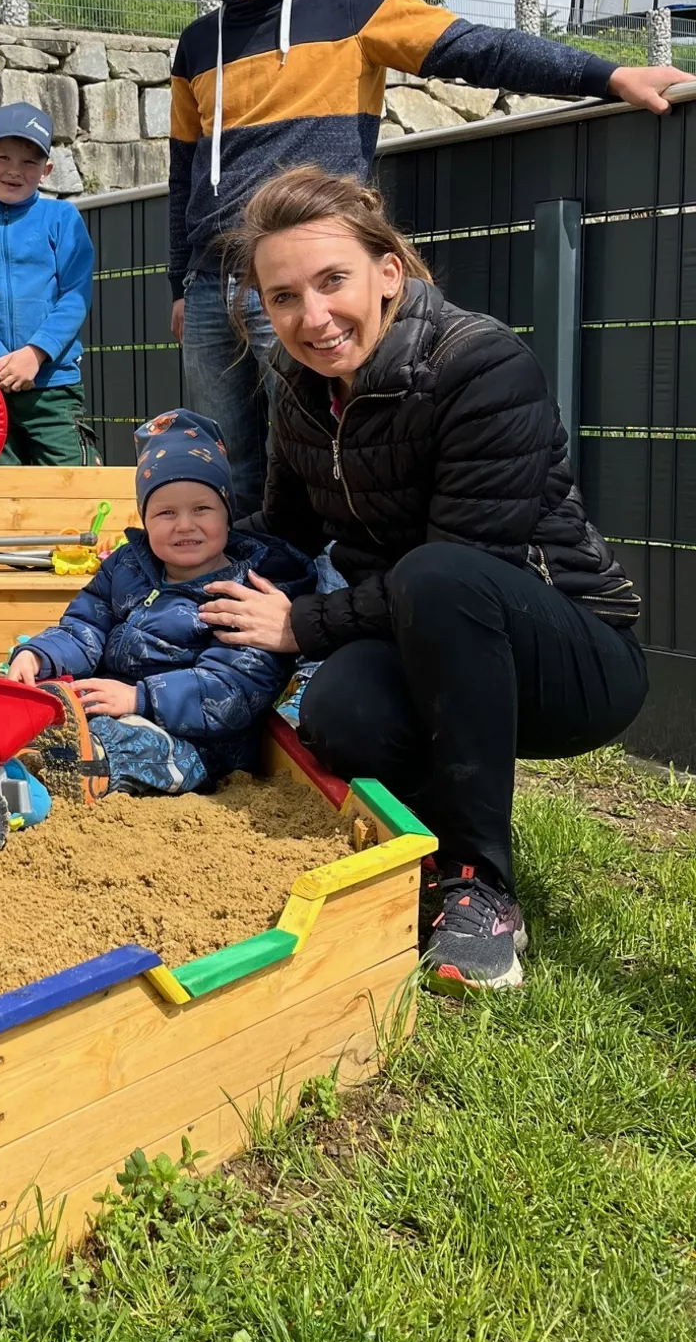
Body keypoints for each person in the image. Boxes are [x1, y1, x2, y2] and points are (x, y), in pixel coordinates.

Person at [197, 164, 647, 992]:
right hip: (423, 633)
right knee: (339, 711)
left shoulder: (481, 365)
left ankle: (485, 890)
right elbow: (287, 533)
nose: (312, 317)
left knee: (439, 576)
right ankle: (429, 859)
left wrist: (302, 625)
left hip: (572, 656)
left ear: (388, 271)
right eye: (284, 297)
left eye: (332, 281)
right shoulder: (301, 393)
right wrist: (174, 545)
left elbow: (468, 564)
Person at [168, 0, 692, 512]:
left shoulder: (354, 4)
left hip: (307, 283)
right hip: (209, 289)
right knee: (224, 469)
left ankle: (334, 584)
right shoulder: (197, 43)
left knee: (323, 464)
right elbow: (183, 172)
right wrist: (179, 283)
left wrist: (607, 75)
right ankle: (242, 581)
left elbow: (477, 48)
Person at [7, 410, 314, 798]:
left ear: (228, 514)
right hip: (115, 699)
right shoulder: (128, 566)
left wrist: (139, 699)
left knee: (138, 747)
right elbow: (85, 627)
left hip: (198, 737)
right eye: (166, 512)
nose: (184, 525)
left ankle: (86, 767)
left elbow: (229, 687)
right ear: (146, 519)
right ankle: (37, 753)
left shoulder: (247, 594)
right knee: (43, 699)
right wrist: (40, 655)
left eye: (201, 509)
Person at [0, 101, 97, 467]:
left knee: (69, 484)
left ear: (46, 170)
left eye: (29, 161)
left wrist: (35, 354)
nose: (14, 170)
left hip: (53, 387)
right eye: (3, 158)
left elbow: (75, 296)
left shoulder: (63, 218)